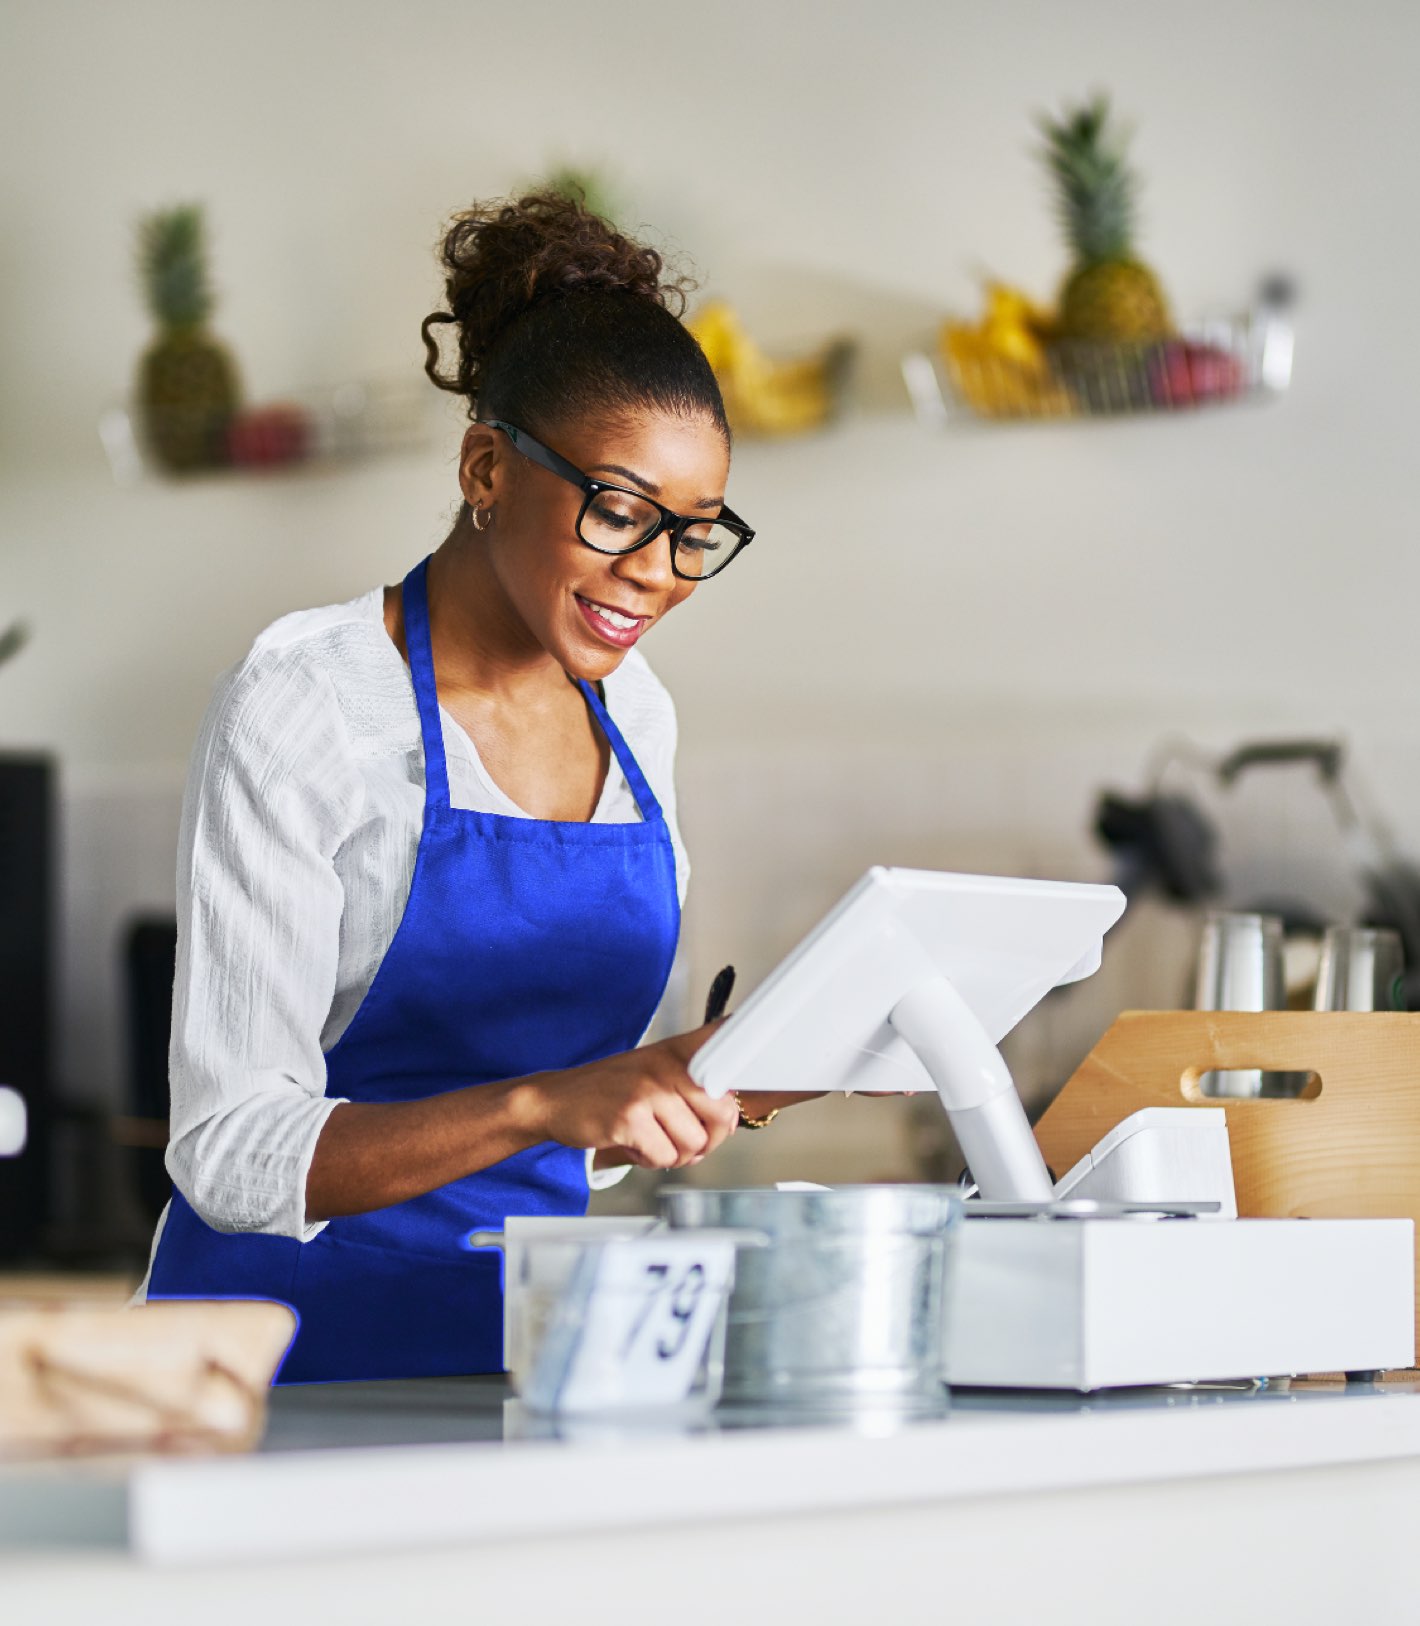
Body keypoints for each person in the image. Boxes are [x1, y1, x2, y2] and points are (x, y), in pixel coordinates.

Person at [140, 193, 814, 1382]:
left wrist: (694, 1083)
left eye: (696, 533)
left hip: (526, 1351)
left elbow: (574, 1129)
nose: (657, 574)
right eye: (619, 511)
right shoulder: (308, 705)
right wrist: (544, 1105)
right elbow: (229, 1151)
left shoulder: (636, 712)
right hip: (279, 1364)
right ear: (487, 465)